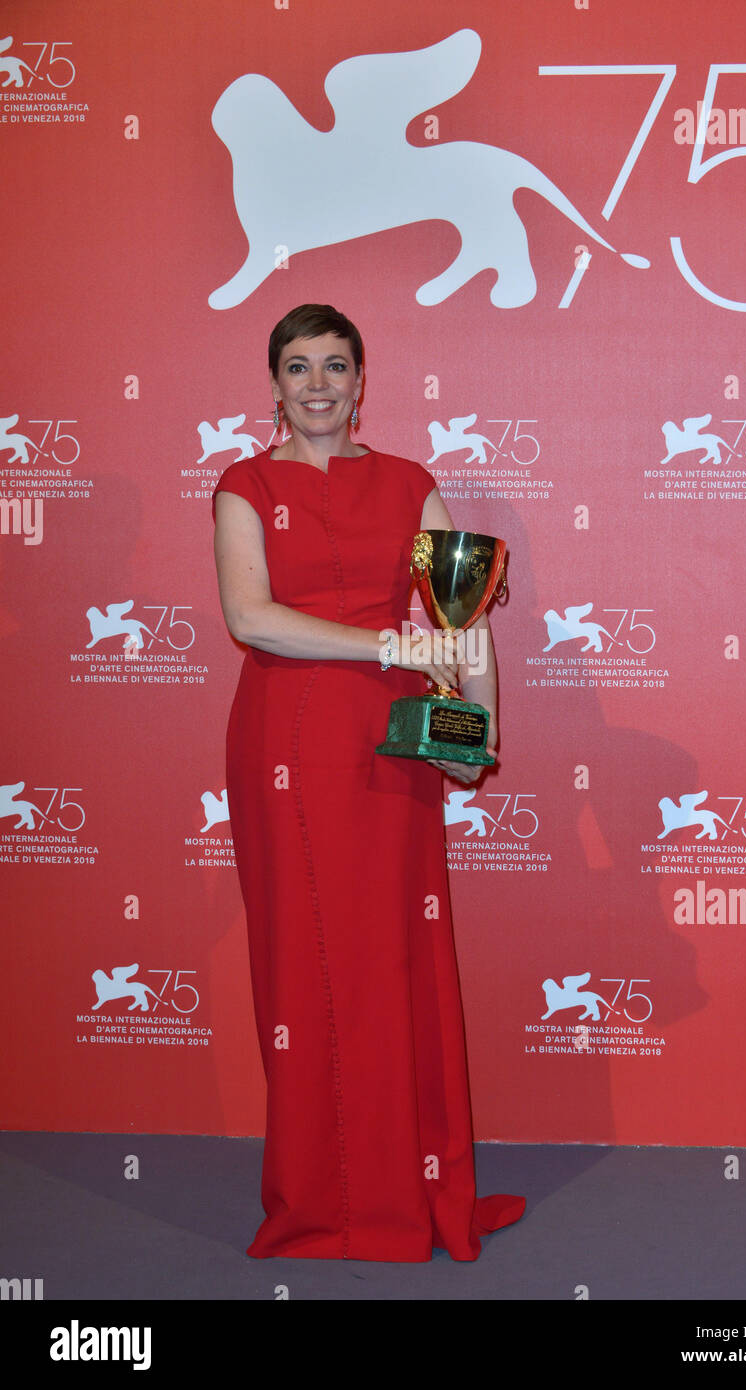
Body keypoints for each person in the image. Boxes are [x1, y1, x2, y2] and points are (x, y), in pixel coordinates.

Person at [211, 303, 525, 1261]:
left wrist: (478, 732)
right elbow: (253, 618)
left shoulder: (410, 484)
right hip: (288, 745)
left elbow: (458, 618)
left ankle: (414, 1188)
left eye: (335, 366)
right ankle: (321, 1199)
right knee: (305, 965)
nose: (317, 385)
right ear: (274, 384)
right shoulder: (243, 486)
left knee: (397, 958)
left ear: (360, 382)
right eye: (298, 367)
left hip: (393, 742)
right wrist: (389, 641)